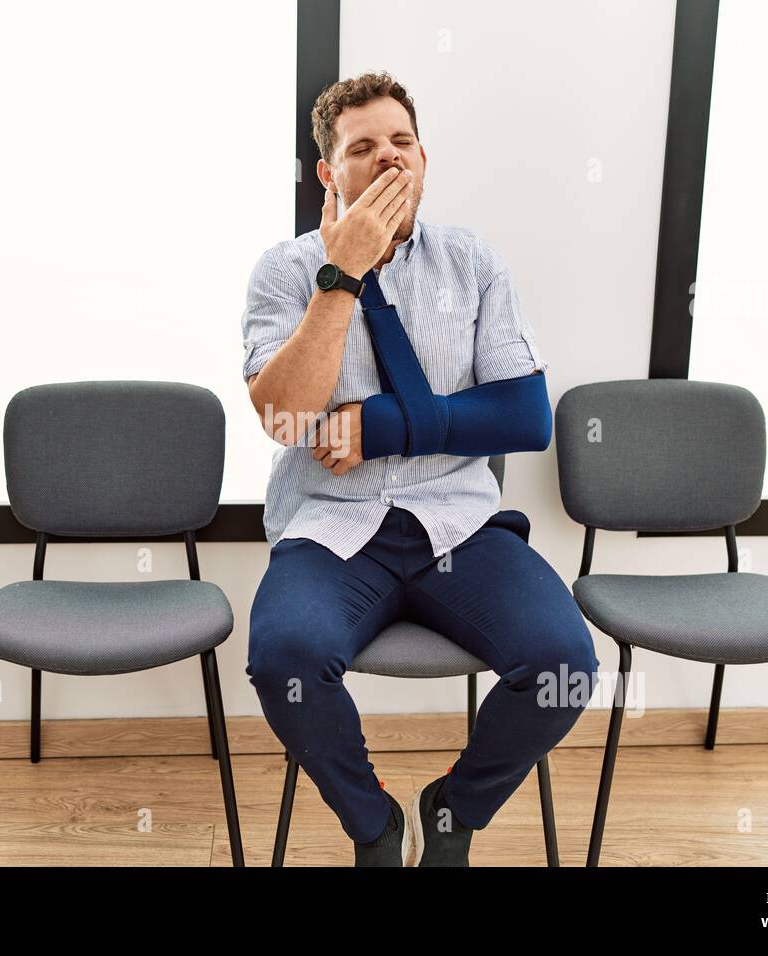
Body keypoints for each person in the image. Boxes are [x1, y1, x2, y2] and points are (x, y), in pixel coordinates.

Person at [241, 71, 599, 866]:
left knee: (564, 667)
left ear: (424, 156)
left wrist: (383, 424)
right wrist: (344, 276)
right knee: (283, 659)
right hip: (331, 525)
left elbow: (525, 418)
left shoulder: (471, 262)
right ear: (329, 174)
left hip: (459, 526)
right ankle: (373, 824)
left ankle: (452, 810)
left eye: (401, 142)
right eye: (363, 148)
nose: (388, 160)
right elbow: (286, 420)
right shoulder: (284, 272)